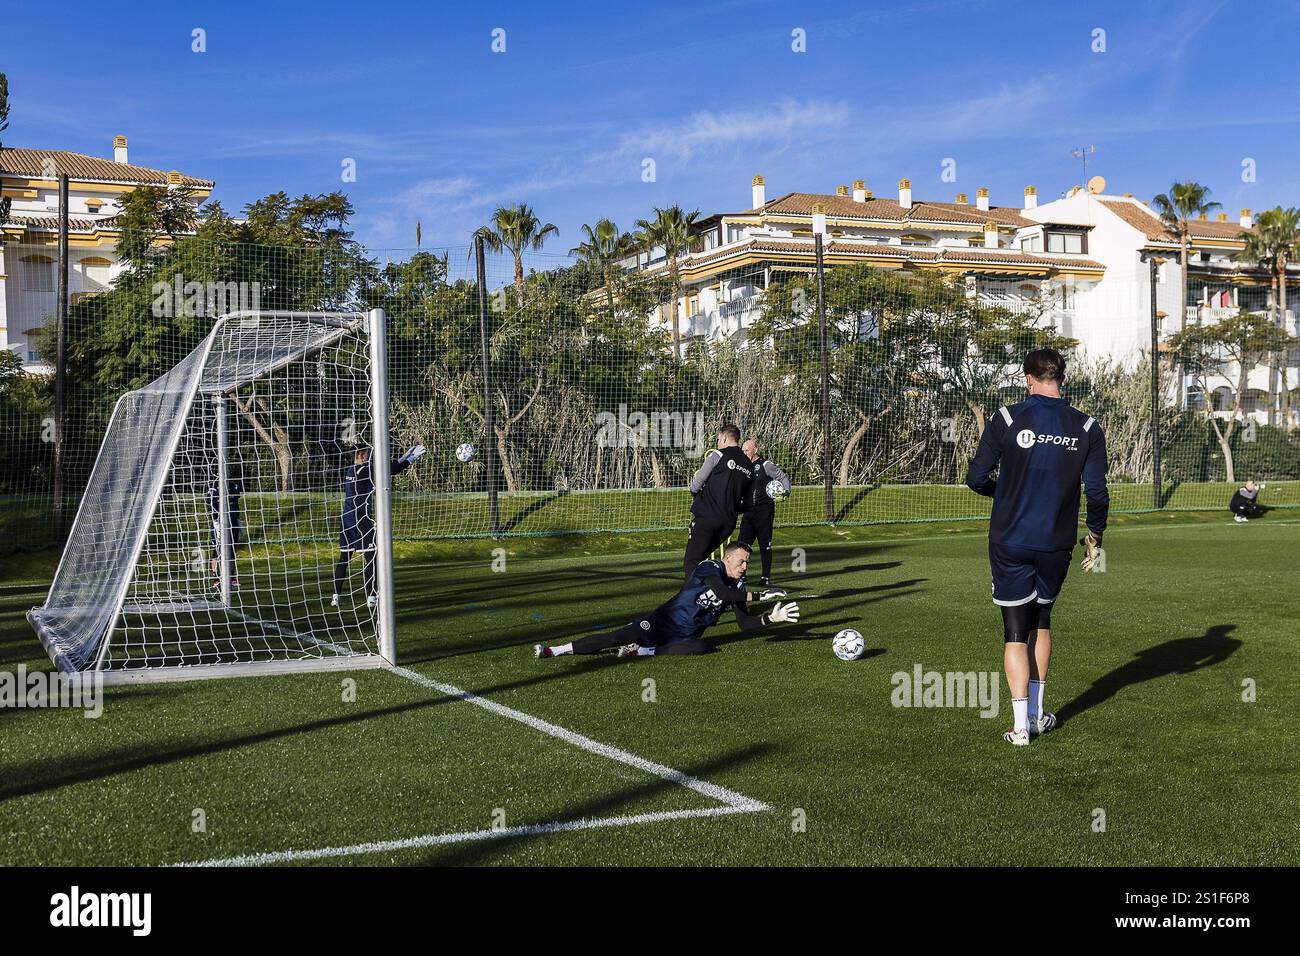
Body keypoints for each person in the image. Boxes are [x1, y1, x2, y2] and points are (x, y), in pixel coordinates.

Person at [965, 348, 1109, 746]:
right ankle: (1037, 714)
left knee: (1014, 631)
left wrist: (1005, 492)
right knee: (1041, 622)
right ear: (1062, 378)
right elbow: (1097, 493)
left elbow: (976, 478)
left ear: (1028, 378)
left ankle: (1019, 728)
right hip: (1056, 543)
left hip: (1009, 539)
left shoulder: (1007, 417)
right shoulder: (1088, 427)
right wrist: (1094, 539)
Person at [535, 541, 799, 659]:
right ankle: (554, 650)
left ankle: (643, 652)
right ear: (728, 558)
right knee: (617, 637)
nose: (744, 566)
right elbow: (722, 593)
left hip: (684, 636)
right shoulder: (710, 568)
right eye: (741, 561)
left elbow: (744, 624)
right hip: (662, 622)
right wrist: (760, 595)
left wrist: (769, 619)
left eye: (747, 563)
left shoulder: (738, 585)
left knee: (701, 648)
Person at [332, 443, 425, 608]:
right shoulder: (366, 470)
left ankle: (335, 597)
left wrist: (404, 456)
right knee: (372, 557)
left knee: (344, 558)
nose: (368, 456)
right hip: (360, 519)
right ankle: (372, 598)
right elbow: (390, 470)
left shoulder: (351, 470)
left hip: (346, 519)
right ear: (360, 455)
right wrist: (412, 458)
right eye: (366, 453)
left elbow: (385, 468)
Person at [683, 424, 754, 580]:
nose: (717, 443)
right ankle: (725, 597)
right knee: (706, 560)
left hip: (708, 518)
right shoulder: (749, 466)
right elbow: (749, 503)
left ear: (723, 437)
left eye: (717, 439)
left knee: (692, 562)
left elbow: (696, 484)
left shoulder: (718, 455)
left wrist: (698, 497)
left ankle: (691, 599)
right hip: (728, 523)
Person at [737, 438, 792, 586]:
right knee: (742, 544)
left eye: (746, 450)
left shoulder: (766, 465)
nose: (744, 453)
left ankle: (765, 577)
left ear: (755, 450)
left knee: (764, 544)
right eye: (742, 451)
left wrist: (786, 492)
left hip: (764, 510)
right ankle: (741, 576)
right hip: (748, 511)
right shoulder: (743, 467)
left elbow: (783, 476)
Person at [208, 472, 244, 591]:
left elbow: (235, 502)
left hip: (232, 520)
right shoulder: (214, 485)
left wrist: (237, 518)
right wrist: (215, 520)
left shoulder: (233, 484)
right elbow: (210, 503)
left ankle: (231, 576)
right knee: (217, 550)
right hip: (219, 521)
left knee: (231, 549)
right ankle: (216, 578)